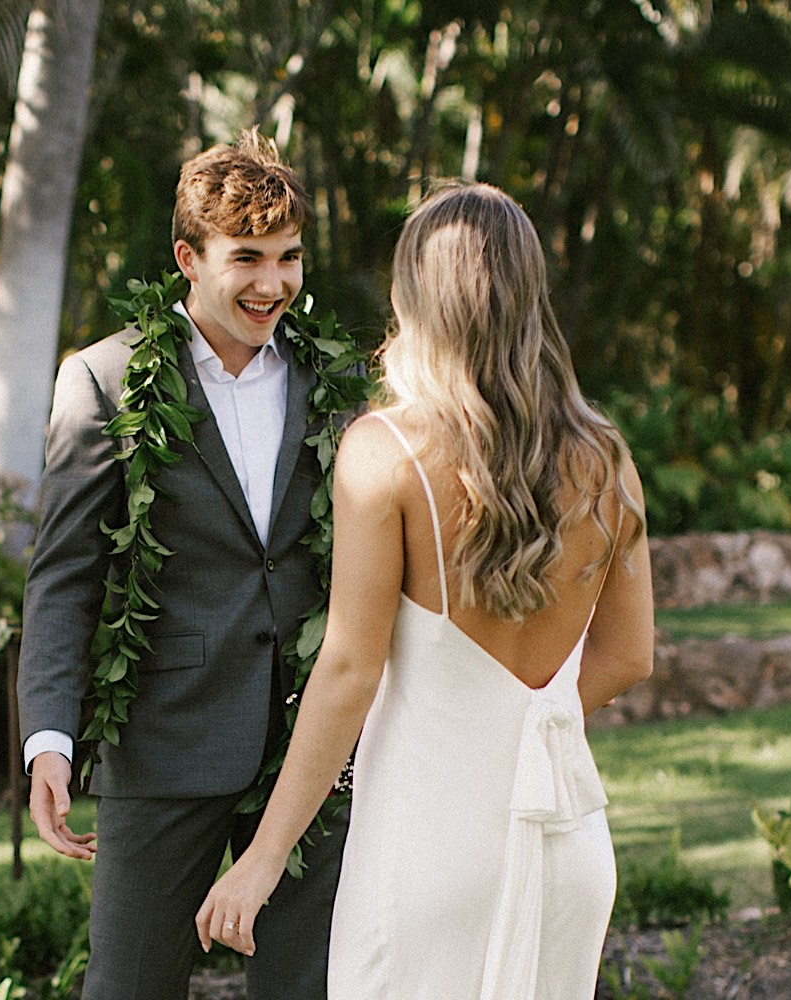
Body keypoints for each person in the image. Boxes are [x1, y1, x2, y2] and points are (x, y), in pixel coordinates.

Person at [196, 182, 655, 998]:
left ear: (417, 297)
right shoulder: (606, 457)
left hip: (430, 850)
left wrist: (261, 860)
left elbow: (349, 671)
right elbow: (628, 657)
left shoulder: (385, 452)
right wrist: (521, 730)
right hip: (569, 845)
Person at [16, 129, 348, 1000]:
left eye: (289, 258)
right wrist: (49, 737)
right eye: (248, 258)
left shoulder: (333, 382)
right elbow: (64, 576)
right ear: (188, 259)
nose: (273, 284)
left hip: (311, 754)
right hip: (166, 740)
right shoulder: (103, 381)